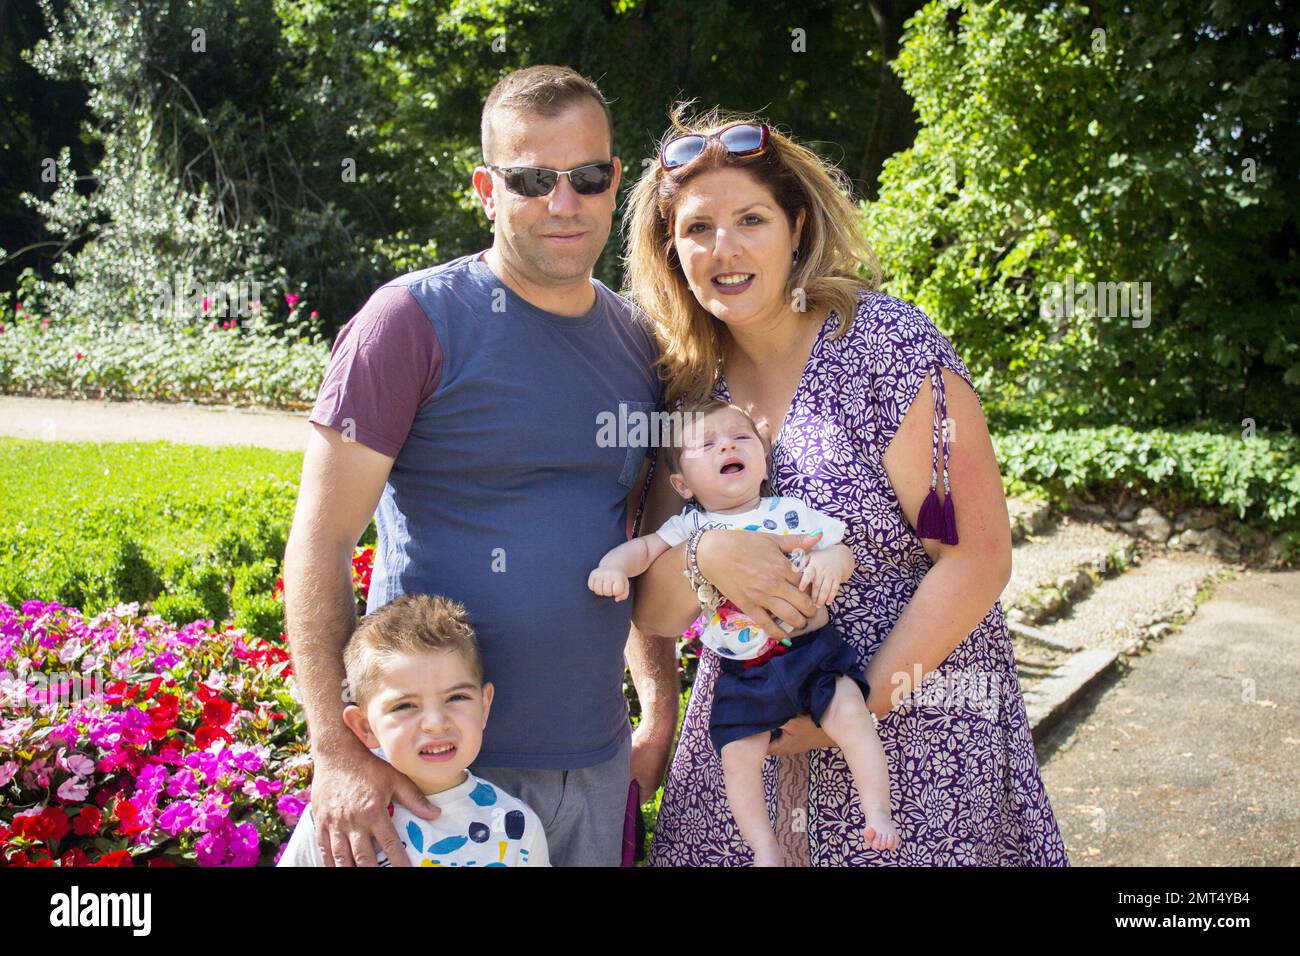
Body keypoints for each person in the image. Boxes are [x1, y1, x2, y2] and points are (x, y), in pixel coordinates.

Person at [623, 104, 1069, 865]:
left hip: (915, 748)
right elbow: (657, 608)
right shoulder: (686, 387)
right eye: (697, 228)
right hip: (748, 749)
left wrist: (853, 706)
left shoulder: (885, 347)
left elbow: (977, 558)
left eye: (751, 220)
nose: (723, 248)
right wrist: (706, 561)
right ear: (671, 250)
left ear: (797, 226)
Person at [282, 65, 679, 868]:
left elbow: (641, 536)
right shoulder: (411, 322)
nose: (563, 203)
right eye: (532, 178)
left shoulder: (644, 345)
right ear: (486, 190)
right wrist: (334, 748)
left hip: (593, 771)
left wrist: (660, 710)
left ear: (615, 184)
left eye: (587, 176)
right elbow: (319, 543)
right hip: (432, 773)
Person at [589, 400, 899, 864]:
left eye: (740, 438)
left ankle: (877, 811)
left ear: (763, 458)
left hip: (810, 651)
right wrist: (614, 564)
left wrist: (831, 564)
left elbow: (838, 548)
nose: (727, 446)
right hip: (743, 670)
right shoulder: (691, 525)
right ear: (683, 484)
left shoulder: (788, 513)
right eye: (707, 444)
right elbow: (645, 549)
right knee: (737, 758)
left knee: (852, 714)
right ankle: (764, 847)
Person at [277, 594, 549, 867]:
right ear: (364, 727)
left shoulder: (517, 827)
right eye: (405, 705)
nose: (435, 722)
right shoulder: (337, 817)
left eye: (456, 698)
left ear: (484, 706)